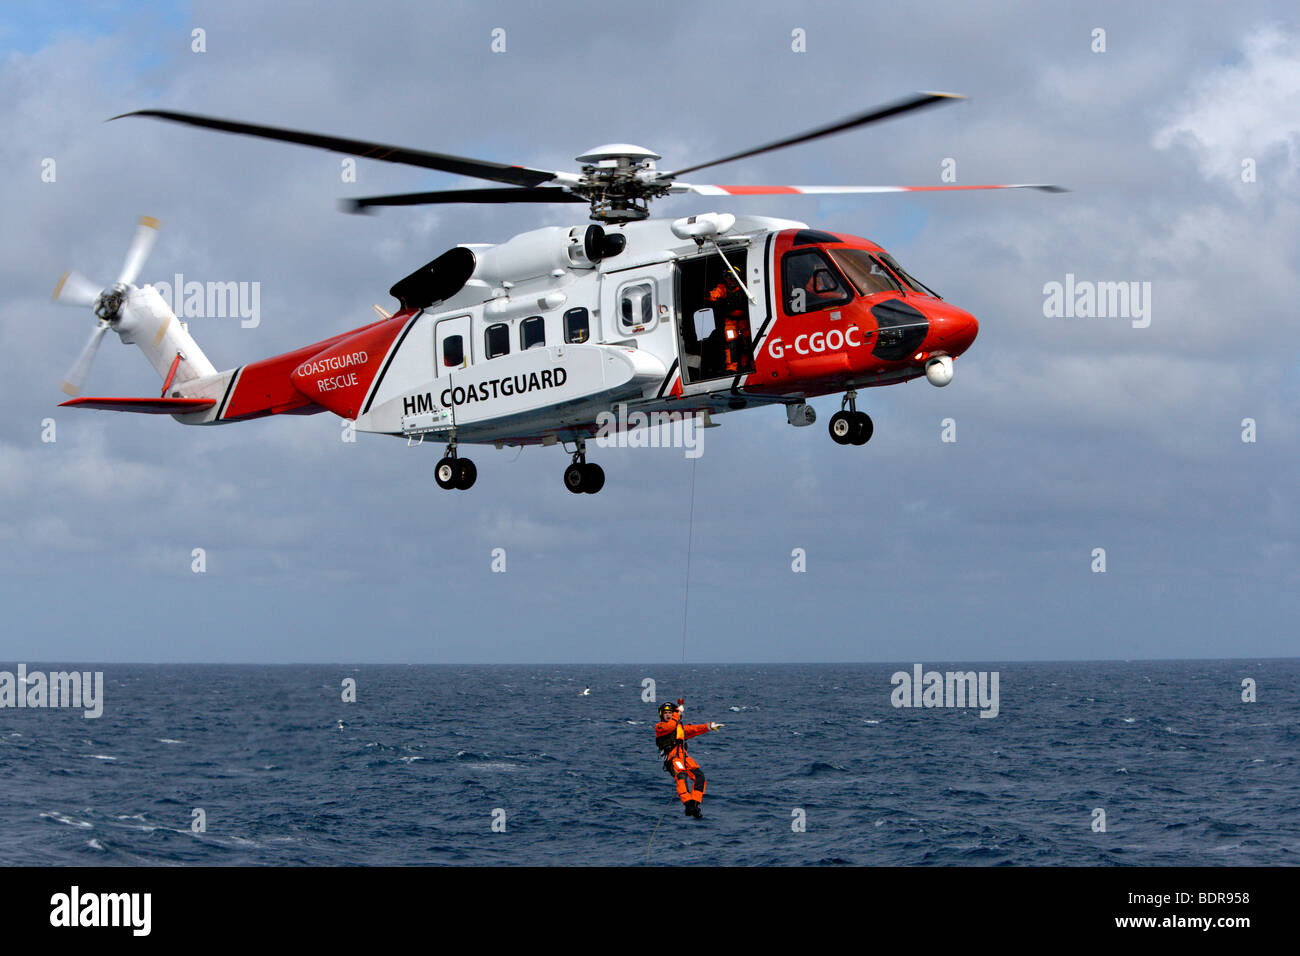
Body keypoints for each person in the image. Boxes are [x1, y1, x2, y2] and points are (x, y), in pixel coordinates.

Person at [655, 700, 723, 818]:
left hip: (684, 757)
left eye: (670, 712)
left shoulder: (679, 728)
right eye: (665, 713)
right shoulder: (660, 727)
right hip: (673, 758)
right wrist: (678, 712)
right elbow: (670, 726)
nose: (668, 715)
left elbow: (694, 729)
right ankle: (688, 804)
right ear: (661, 715)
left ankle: (695, 804)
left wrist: (710, 726)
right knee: (681, 776)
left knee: (699, 777)